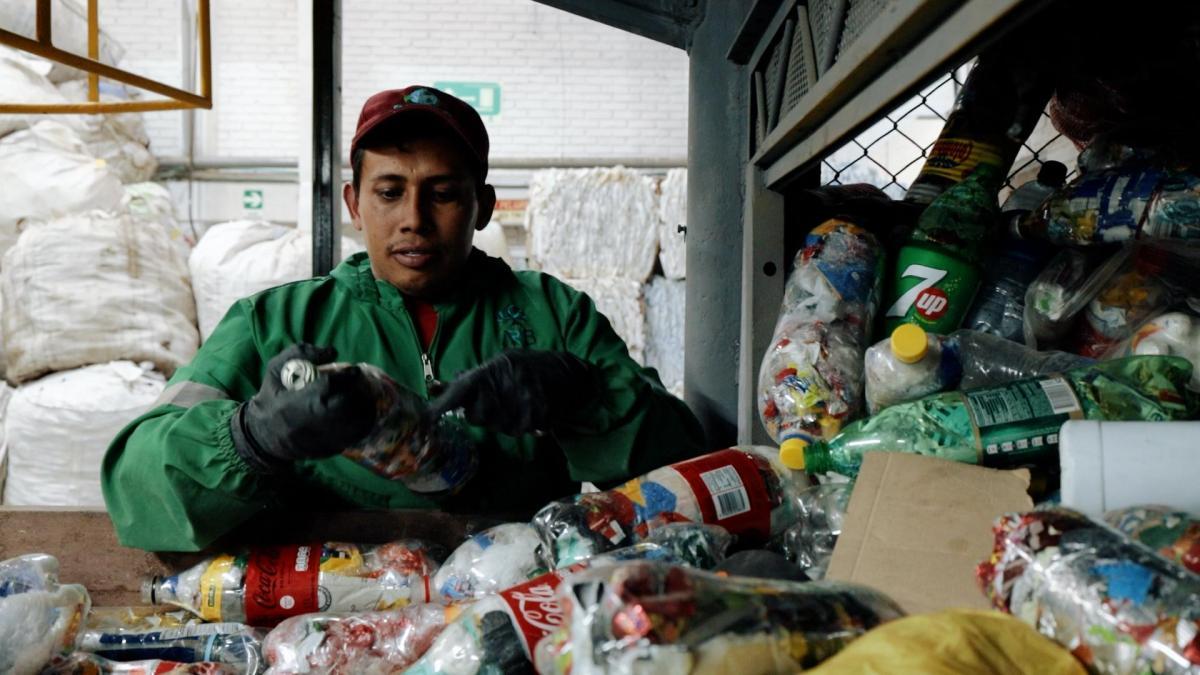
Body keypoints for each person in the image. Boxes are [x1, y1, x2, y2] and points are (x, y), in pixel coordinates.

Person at [102, 86, 706, 552]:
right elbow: (136, 486)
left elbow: (686, 469)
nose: (414, 217)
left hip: (513, 598)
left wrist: (583, 397)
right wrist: (250, 437)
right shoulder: (274, 321)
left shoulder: (552, 313)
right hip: (330, 609)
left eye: (442, 192)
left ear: (484, 206)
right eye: (389, 191)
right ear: (354, 205)